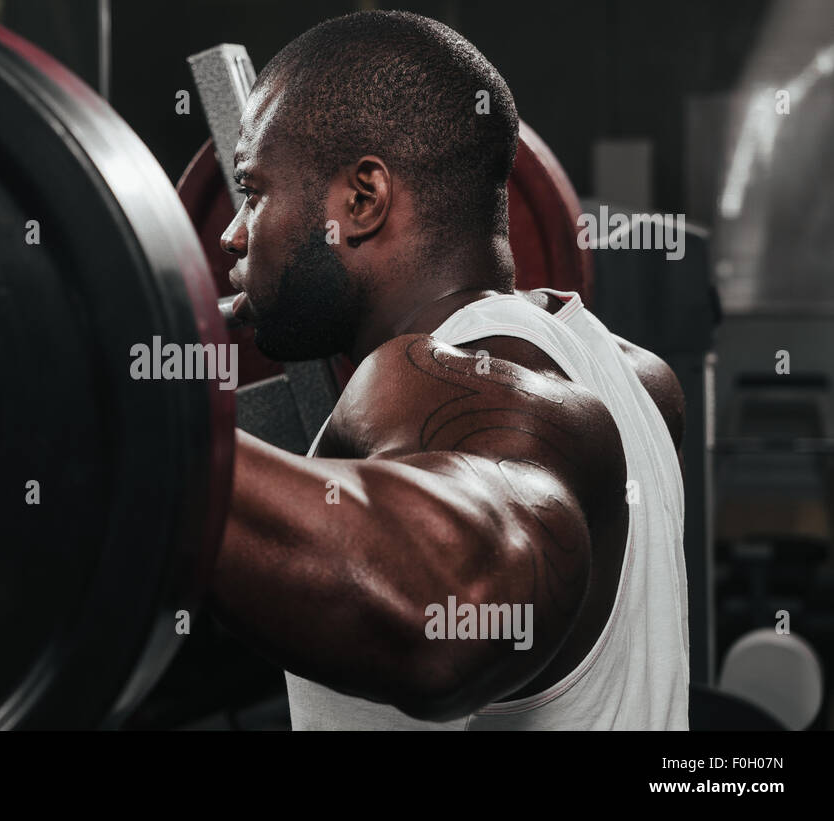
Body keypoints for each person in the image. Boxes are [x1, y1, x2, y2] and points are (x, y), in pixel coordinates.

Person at [210, 10, 689, 730]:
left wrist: (120, 410)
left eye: (253, 191)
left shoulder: (420, 374)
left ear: (363, 200)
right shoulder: (639, 378)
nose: (232, 232)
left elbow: (457, 617)